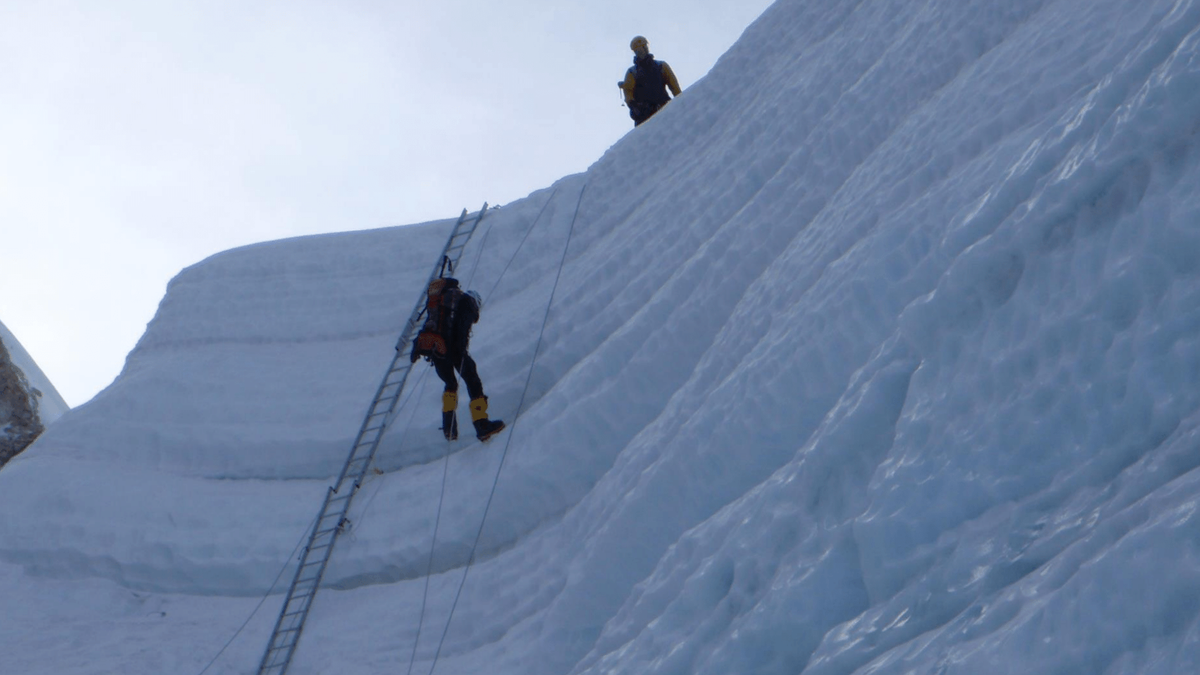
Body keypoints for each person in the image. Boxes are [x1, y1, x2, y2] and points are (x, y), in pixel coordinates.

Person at [410, 277, 505, 442]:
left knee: (451, 384)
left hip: (437, 350)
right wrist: (461, 353)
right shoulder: (467, 304)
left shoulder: (444, 305)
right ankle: (482, 424)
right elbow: (461, 331)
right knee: (473, 382)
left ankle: (449, 428)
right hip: (453, 350)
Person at [618, 36, 682, 126]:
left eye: (644, 46)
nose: (644, 48)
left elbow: (675, 88)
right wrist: (635, 107)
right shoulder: (632, 73)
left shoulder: (661, 66)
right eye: (640, 47)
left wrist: (680, 102)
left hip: (664, 108)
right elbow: (629, 95)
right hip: (645, 116)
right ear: (635, 51)